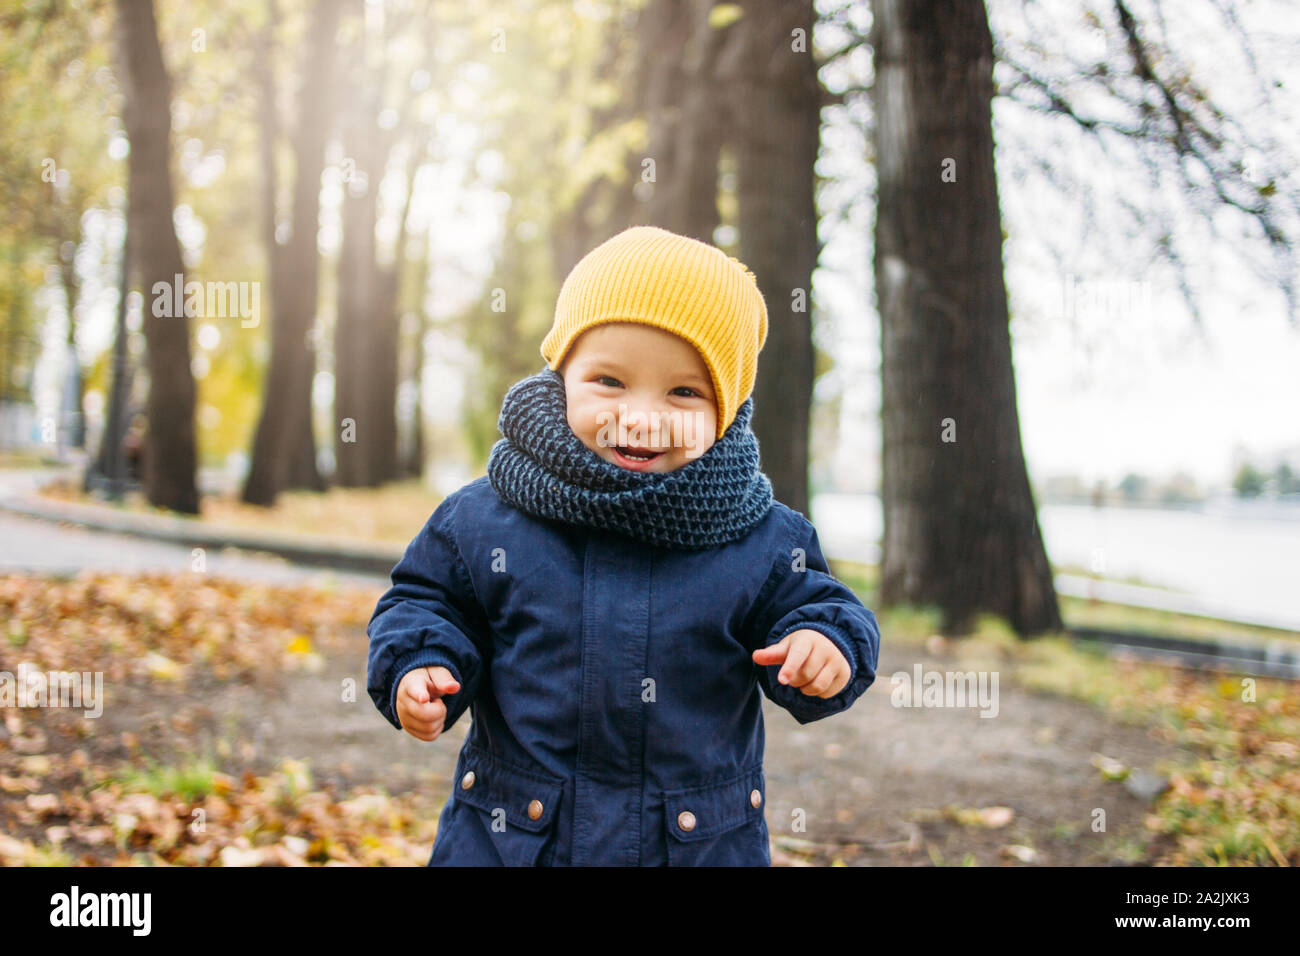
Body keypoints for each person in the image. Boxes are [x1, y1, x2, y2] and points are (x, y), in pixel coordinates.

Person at [366, 225, 882, 866]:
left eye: (684, 392)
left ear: (726, 411)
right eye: (609, 381)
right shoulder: (487, 518)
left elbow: (824, 608)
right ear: (562, 375)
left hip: (692, 848)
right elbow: (426, 601)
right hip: (512, 842)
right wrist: (418, 662)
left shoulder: (763, 538)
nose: (640, 417)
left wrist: (824, 646)